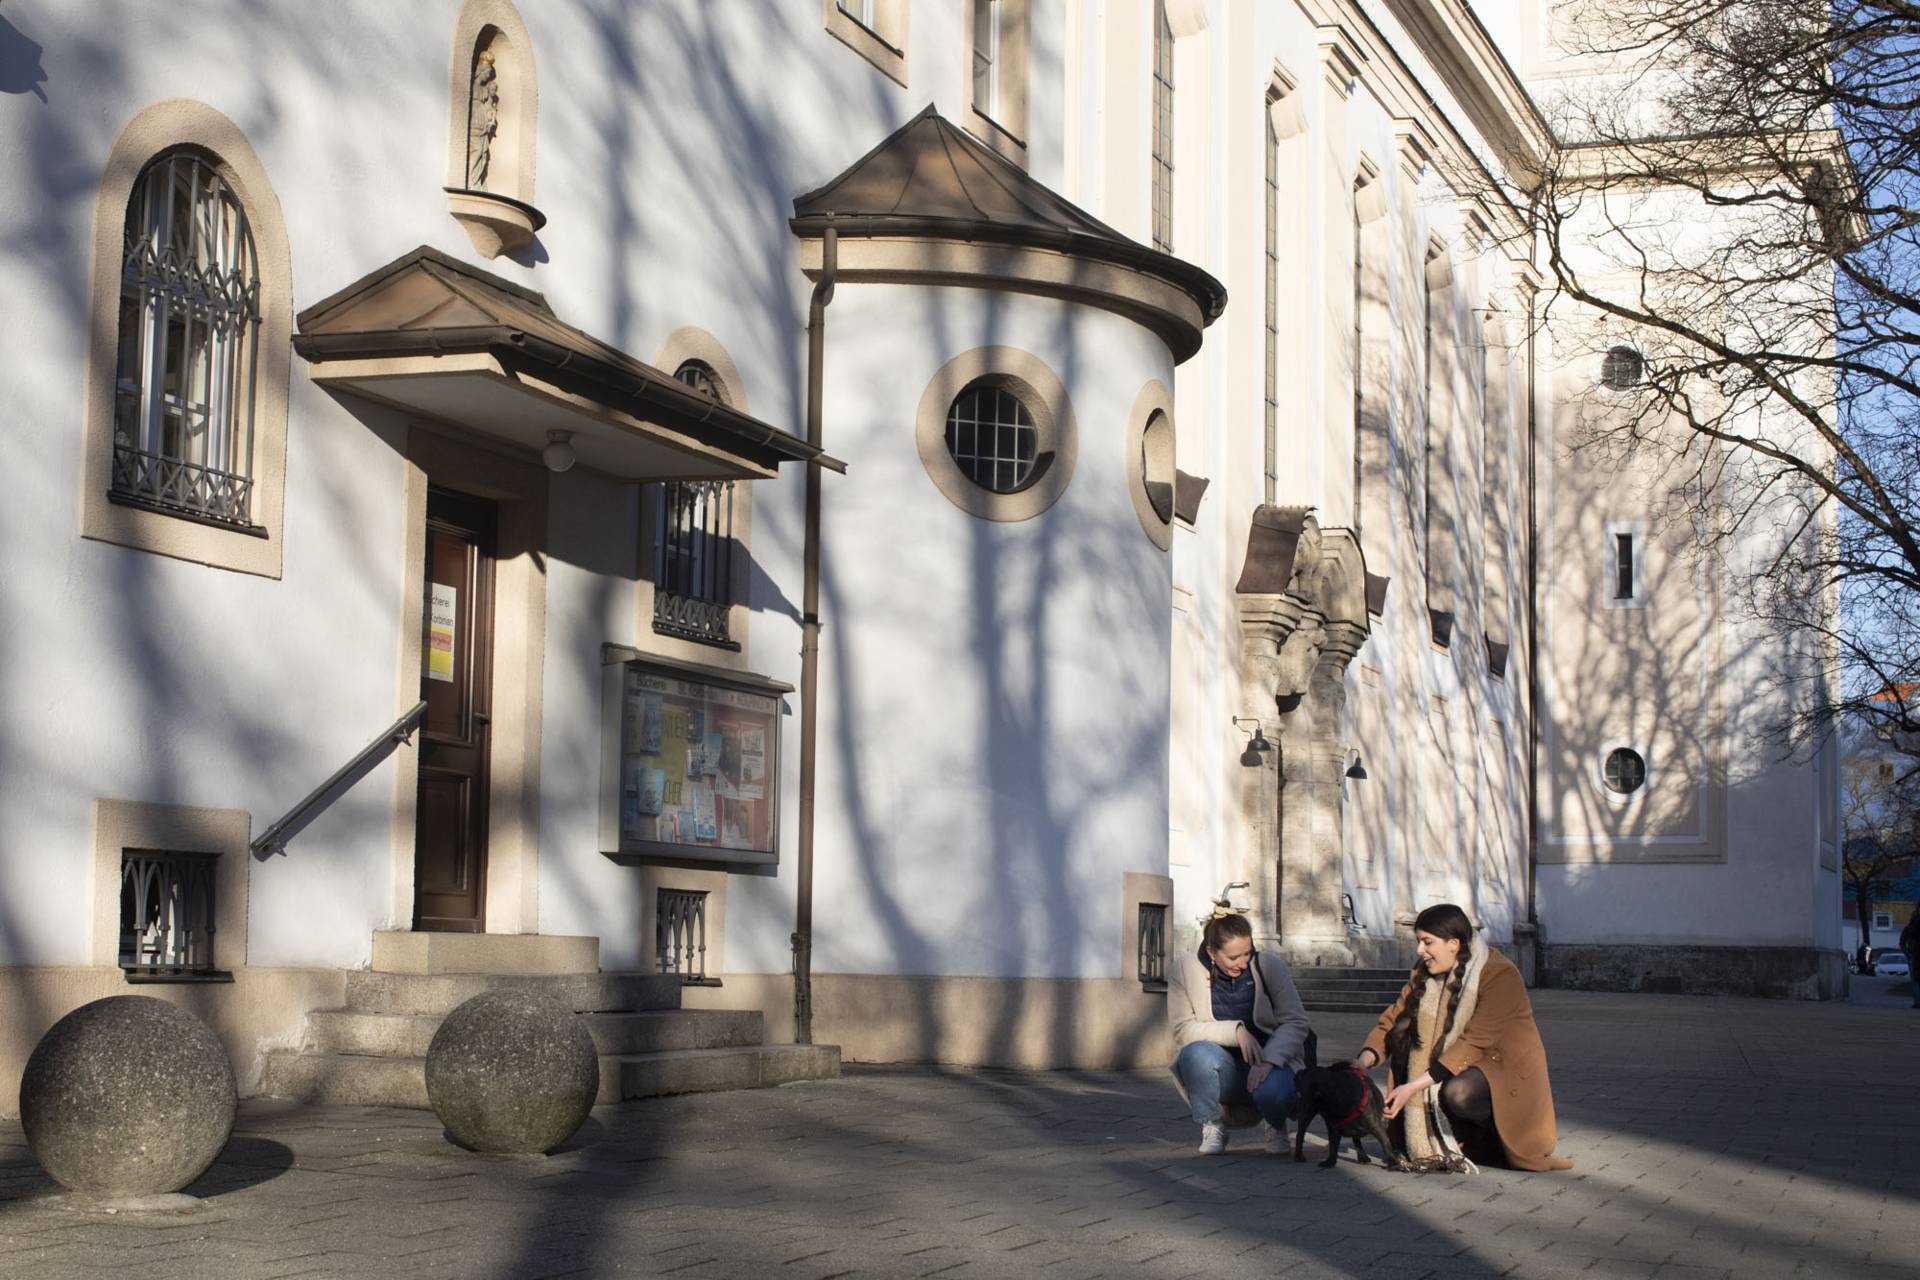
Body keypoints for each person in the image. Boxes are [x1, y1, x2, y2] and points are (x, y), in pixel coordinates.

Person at [1351, 904, 1572, 1172]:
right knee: (1407, 1040)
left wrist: (1414, 1087)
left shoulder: (1500, 974)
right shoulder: (1423, 972)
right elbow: (1393, 1019)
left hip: (1504, 1068)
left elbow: (1474, 1041)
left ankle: (1499, 1141)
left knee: (1458, 1094)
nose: (1420, 950)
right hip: (1464, 1061)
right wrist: (1363, 1061)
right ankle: (1462, 1139)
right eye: (1419, 942)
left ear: (1453, 944)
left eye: (1427, 942)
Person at [1168, 909, 1311, 1155]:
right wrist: (1236, 1032)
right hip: (1223, 1067)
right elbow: (1182, 1029)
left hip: (1269, 1063)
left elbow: (1296, 1021)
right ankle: (1212, 1123)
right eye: (1233, 957)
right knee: (1194, 1054)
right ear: (1212, 953)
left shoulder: (1269, 966)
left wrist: (1269, 1060)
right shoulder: (1183, 969)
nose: (1243, 963)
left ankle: (1275, 1123)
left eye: (1248, 952)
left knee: (1275, 1091)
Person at [1901, 914, 1920, 1008]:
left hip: (1913, 956)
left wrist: (1907, 953)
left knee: (1915, 980)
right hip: (1913, 956)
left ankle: (1917, 1001)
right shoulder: (1909, 929)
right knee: (1915, 980)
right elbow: (1902, 943)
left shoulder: (1908, 929)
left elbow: (1902, 943)